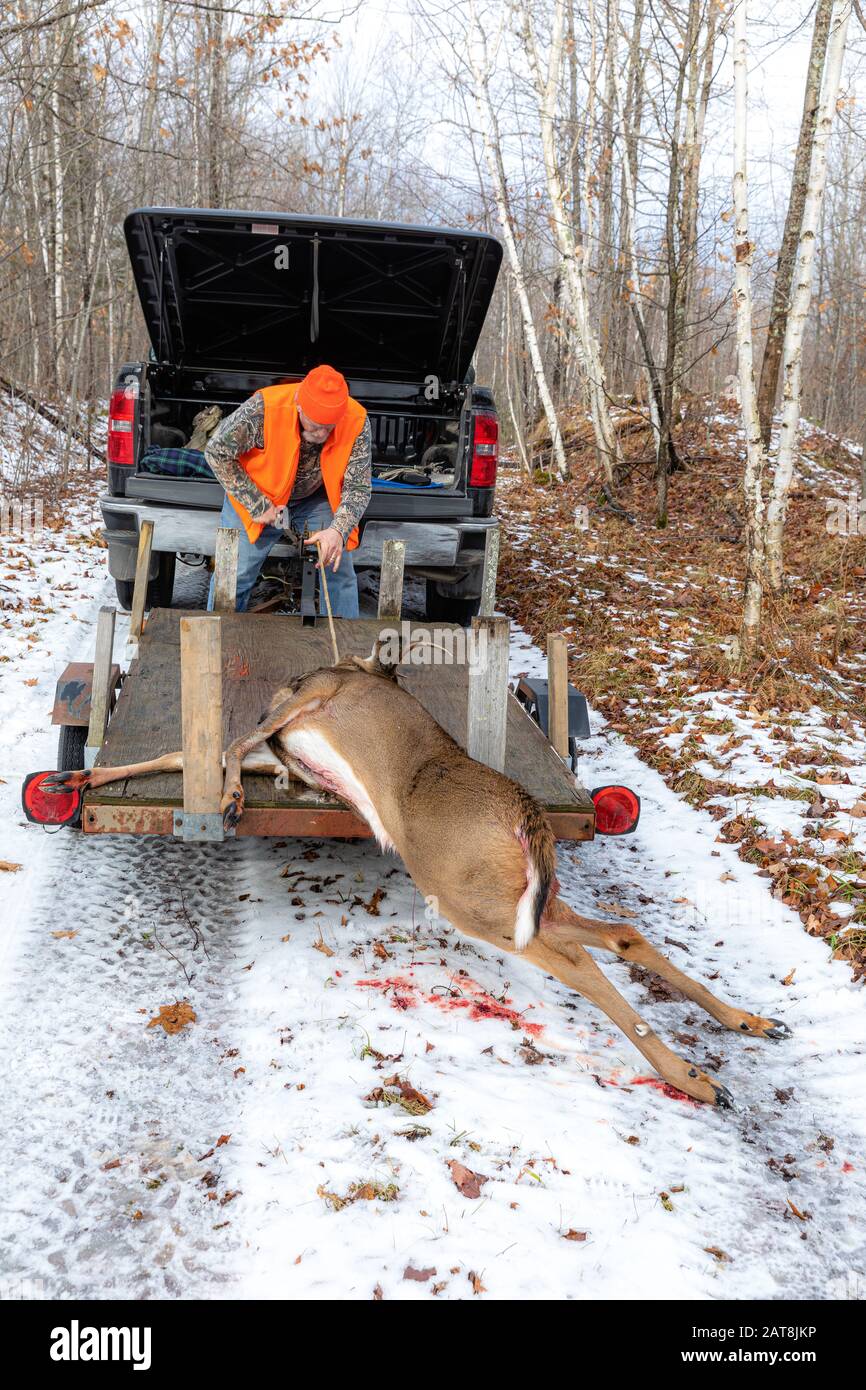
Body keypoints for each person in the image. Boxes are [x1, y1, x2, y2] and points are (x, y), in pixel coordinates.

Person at [204, 364, 371, 617]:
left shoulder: (356, 419)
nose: (322, 433)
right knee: (235, 573)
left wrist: (338, 531)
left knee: (339, 570)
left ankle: (344, 653)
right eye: (315, 426)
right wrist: (257, 504)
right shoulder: (264, 408)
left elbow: (358, 486)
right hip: (260, 494)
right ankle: (216, 643)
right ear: (299, 405)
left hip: (314, 498)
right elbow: (216, 452)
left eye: (329, 428)